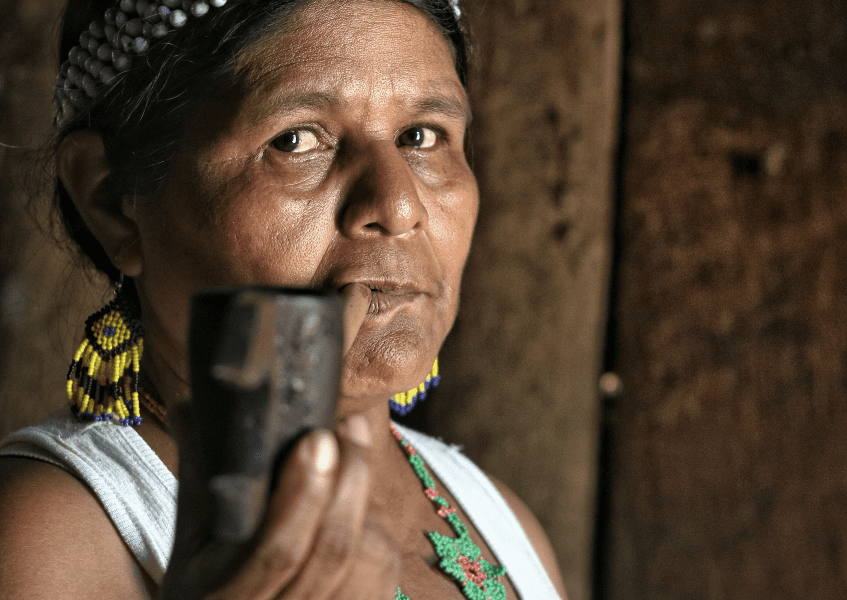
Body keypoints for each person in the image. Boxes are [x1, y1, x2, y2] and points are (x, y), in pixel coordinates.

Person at [0, 1, 568, 598]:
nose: (399, 207)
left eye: (420, 136)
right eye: (296, 141)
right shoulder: (49, 540)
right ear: (112, 201)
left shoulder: (497, 519)